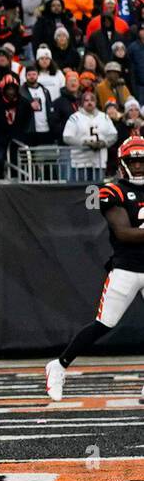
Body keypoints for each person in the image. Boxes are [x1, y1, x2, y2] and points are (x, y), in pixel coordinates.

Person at [48, 136, 144, 401]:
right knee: (105, 323)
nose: (138, 167)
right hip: (126, 268)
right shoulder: (113, 190)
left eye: (142, 162)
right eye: (133, 162)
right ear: (123, 163)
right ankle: (58, 366)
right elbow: (124, 233)